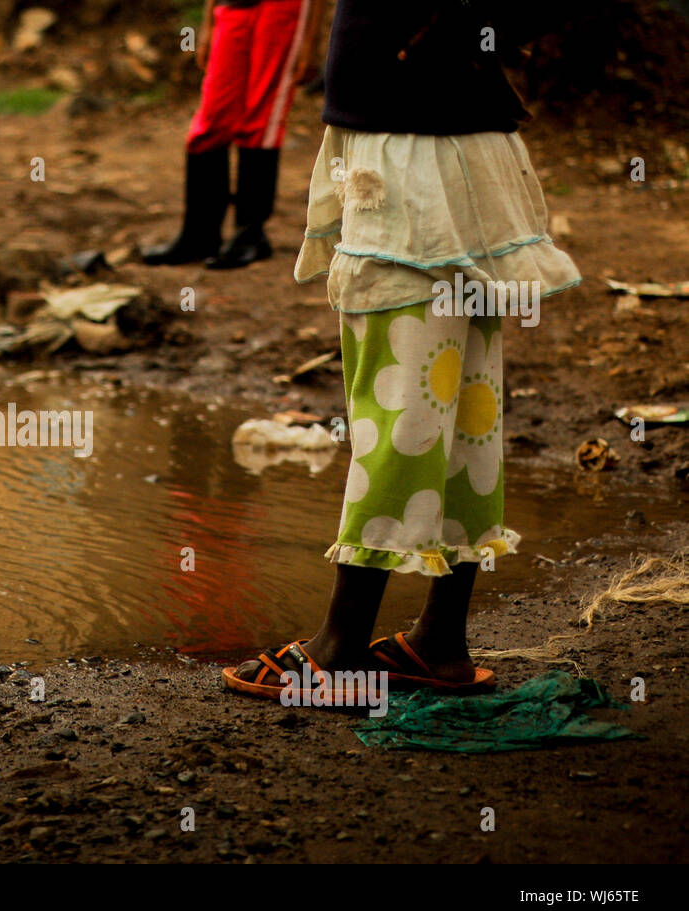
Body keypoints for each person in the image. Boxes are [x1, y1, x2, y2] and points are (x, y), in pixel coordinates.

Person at [223, 1, 581, 700]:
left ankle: (342, 644)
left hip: (412, 160)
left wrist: (437, 40)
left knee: (400, 403)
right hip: (453, 147)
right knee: (461, 401)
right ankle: (440, 641)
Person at [143, 0, 326, 269]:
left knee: (261, 120)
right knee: (209, 124)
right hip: (233, 8)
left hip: (283, 10)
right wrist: (208, 23)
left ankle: (249, 235)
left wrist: (311, 41)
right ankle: (199, 234)